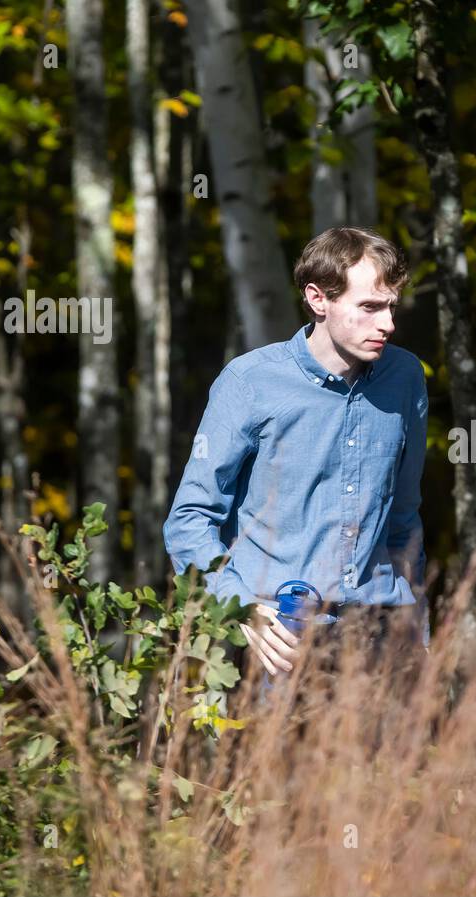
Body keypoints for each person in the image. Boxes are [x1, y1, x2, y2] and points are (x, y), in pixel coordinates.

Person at [163, 227, 429, 679]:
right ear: (317, 299)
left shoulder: (405, 377)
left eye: (390, 306)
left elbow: (404, 518)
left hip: (383, 636)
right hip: (279, 639)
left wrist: (418, 629)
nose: (388, 323)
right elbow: (190, 519)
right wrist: (238, 606)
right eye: (369, 307)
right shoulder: (249, 382)